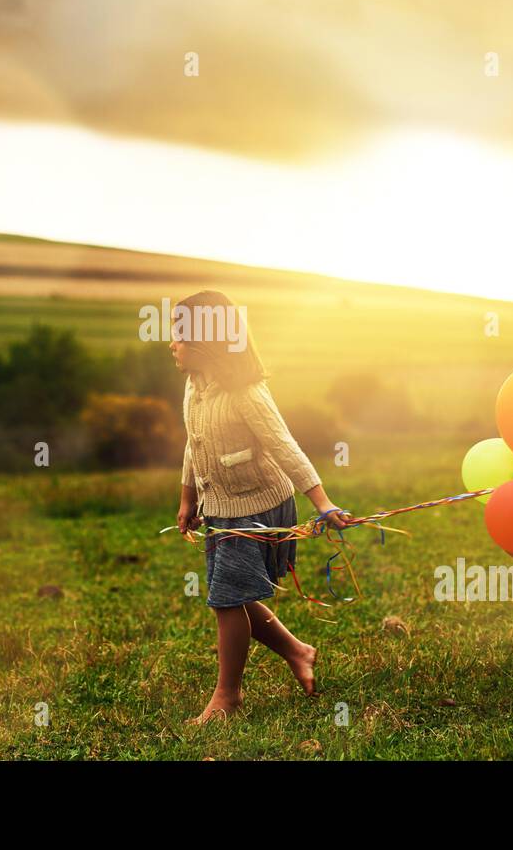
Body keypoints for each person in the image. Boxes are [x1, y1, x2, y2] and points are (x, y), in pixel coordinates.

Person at [171, 289, 350, 724]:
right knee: (232, 594)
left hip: (260, 506)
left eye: (178, 334)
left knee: (226, 600)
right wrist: (188, 497)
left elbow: (284, 447)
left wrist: (322, 502)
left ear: (205, 341)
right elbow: (194, 445)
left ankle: (227, 697)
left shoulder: (247, 393)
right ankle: (297, 650)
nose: (170, 343)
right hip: (221, 507)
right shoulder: (194, 389)